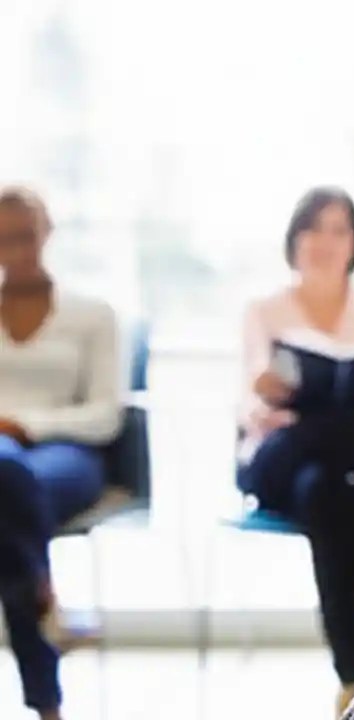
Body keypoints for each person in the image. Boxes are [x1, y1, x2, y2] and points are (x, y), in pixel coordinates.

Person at [237, 186, 354, 716]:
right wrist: (271, 393)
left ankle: (348, 679)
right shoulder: (265, 309)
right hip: (278, 457)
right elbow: (249, 401)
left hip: (352, 474)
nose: (324, 241)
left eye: (338, 229)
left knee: (327, 493)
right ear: (294, 239)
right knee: (340, 434)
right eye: (313, 228)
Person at [0, 187, 123, 720]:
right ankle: (44, 605)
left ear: (48, 234)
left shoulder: (92, 315)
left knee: (6, 483)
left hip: (69, 456)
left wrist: (24, 425)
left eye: (28, 235)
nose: (20, 250)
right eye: (6, 240)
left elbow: (106, 415)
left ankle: (44, 696)